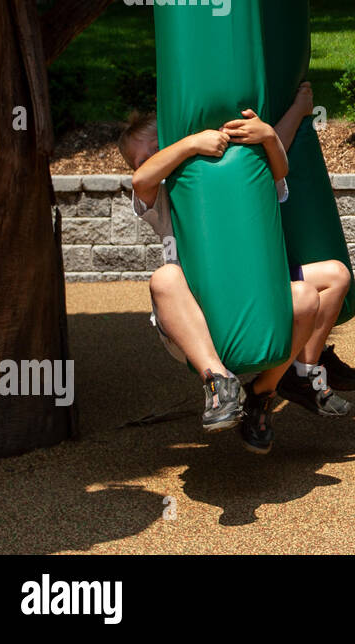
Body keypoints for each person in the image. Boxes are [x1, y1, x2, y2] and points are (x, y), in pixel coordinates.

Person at [118, 108, 319, 454]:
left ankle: (262, 394)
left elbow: (279, 172)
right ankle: (217, 381)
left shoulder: (241, 182)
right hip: (188, 327)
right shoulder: (160, 196)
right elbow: (142, 180)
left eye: (157, 148)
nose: (153, 160)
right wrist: (191, 144)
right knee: (166, 277)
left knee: (306, 297)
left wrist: (269, 135)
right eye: (143, 158)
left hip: (250, 309)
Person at [269, 81, 355, 415]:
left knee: (336, 275)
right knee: (305, 297)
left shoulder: (266, 172)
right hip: (239, 289)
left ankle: (308, 368)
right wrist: (299, 109)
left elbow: (274, 158)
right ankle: (297, 369)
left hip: (272, 271)